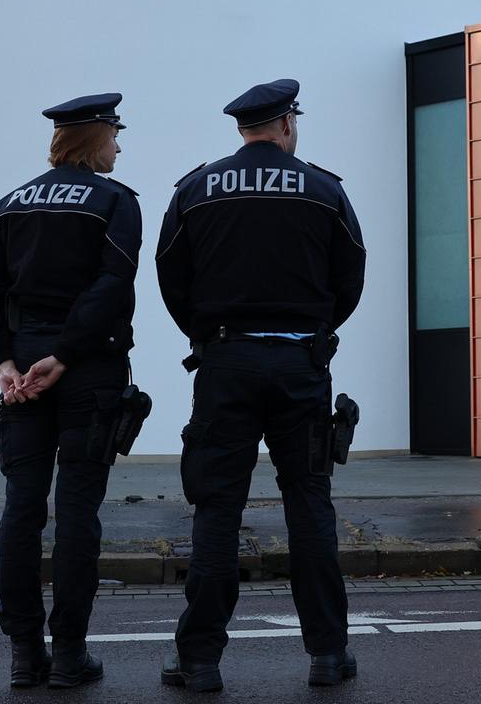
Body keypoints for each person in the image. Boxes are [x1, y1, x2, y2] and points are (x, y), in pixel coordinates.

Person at [156, 79, 366, 692]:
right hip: (301, 369)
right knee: (308, 502)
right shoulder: (325, 190)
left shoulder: (196, 190)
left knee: (217, 508)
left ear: (244, 128)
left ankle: (199, 661)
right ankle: (327, 654)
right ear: (287, 124)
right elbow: (350, 276)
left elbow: (172, 276)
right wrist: (312, 329)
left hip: (224, 366)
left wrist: (208, 336)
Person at [0, 93, 141, 690]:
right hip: (85, 369)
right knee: (76, 510)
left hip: (24, 376)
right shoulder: (115, 202)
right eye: (115, 136)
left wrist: (7, 362)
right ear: (95, 140)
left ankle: (24, 652)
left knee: (22, 508)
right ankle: (69, 652)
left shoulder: (9, 203)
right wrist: (65, 356)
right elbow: (111, 287)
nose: (120, 146)